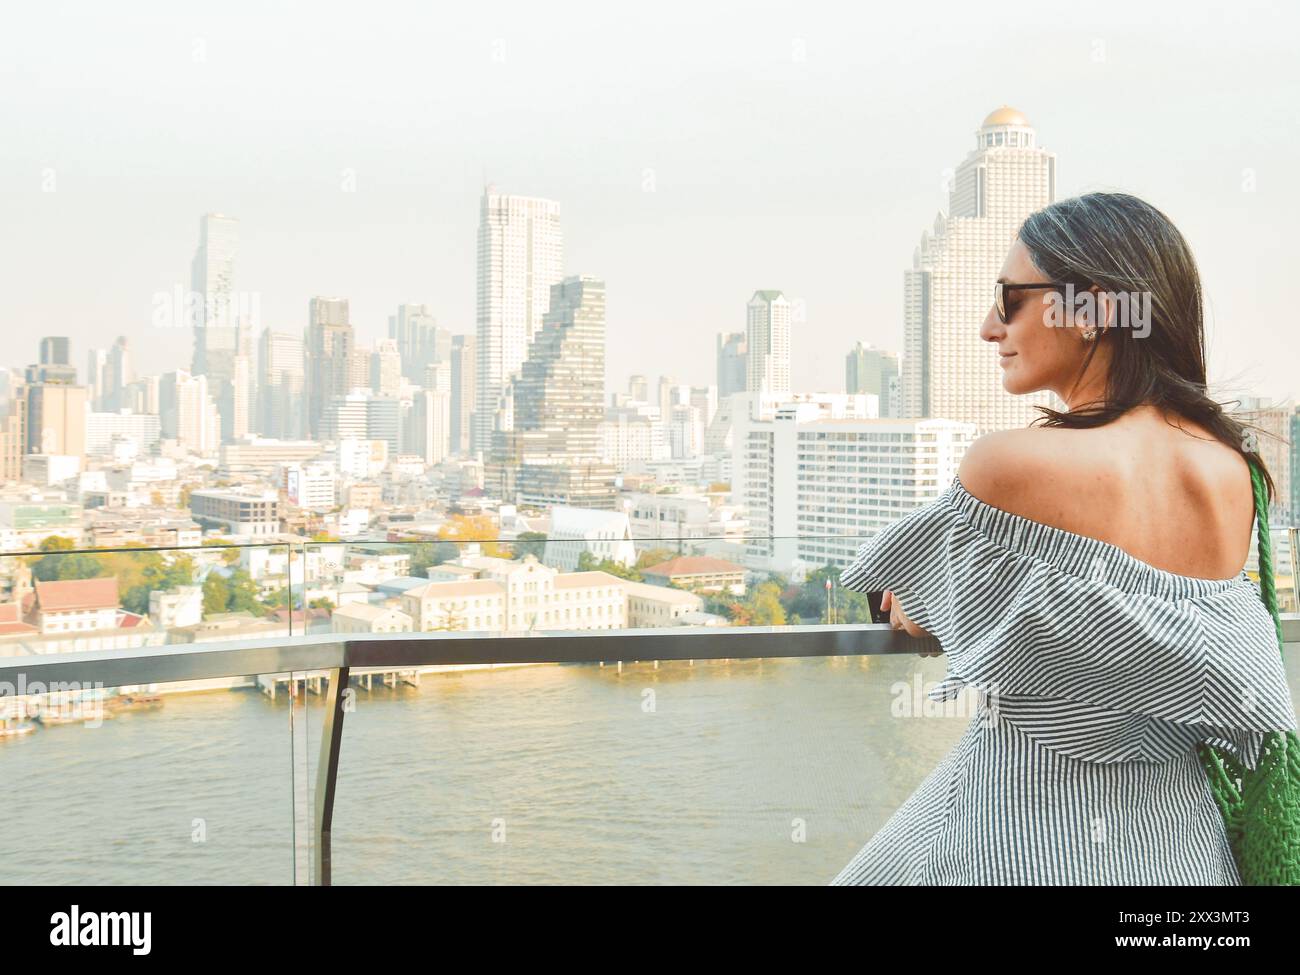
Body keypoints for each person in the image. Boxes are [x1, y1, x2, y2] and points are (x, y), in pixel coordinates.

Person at [831, 192, 1298, 885]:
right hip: (1183, 851)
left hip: (1018, 837)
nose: (990, 327)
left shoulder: (1010, 465)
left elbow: (922, 600)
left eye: (1010, 298)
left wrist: (919, 596)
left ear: (1093, 308)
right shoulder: (1233, 473)